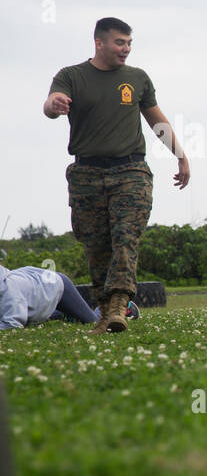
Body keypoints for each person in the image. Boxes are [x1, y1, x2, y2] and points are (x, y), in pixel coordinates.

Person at [43, 17, 190, 333]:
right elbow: (50, 106)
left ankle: (119, 307)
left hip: (131, 170)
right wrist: (53, 105)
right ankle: (105, 311)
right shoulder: (72, 76)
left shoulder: (137, 79)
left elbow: (156, 121)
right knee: (96, 246)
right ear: (99, 43)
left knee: (126, 236)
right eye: (119, 43)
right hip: (86, 174)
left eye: (129, 43)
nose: (125, 49)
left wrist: (181, 155)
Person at [1, 264, 138, 330]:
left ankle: (124, 308)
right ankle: (67, 313)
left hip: (58, 286)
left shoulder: (10, 292)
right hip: (39, 292)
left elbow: (13, 324)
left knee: (94, 321)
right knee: (38, 311)